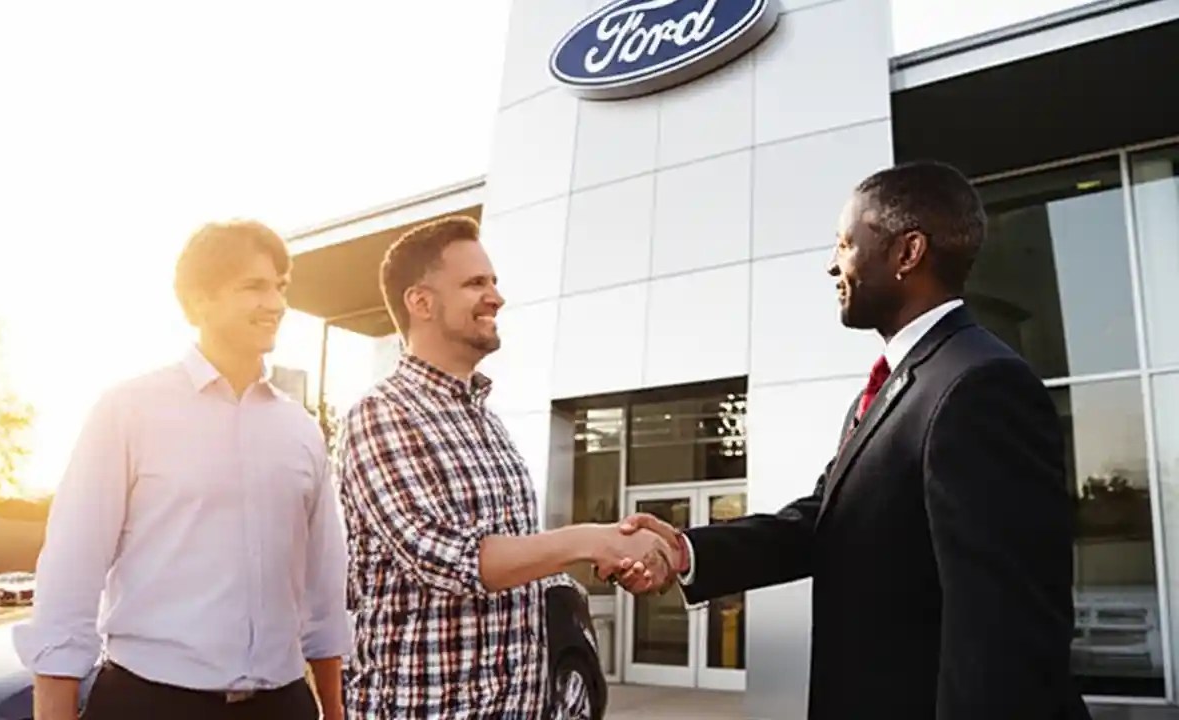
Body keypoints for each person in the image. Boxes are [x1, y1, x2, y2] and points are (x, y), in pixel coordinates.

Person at [617, 161, 1092, 719]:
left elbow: (1007, 628)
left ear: (907, 253)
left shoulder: (980, 384)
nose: (832, 265)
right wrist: (685, 550)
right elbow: (824, 523)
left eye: (845, 244)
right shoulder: (898, 386)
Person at [335, 215, 670, 719]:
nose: (496, 297)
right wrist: (588, 539)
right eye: (475, 283)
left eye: (493, 282)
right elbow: (445, 559)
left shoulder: (489, 425)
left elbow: (519, 570)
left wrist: (612, 558)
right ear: (420, 302)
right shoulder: (381, 414)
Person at [14, 220, 350, 720]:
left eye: (279, 286)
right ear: (199, 302)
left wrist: (333, 709)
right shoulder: (128, 410)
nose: (276, 303)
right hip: (149, 702)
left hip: (282, 705)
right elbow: (70, 575)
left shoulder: (301, 430)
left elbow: (324, 585)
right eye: (254, 286)